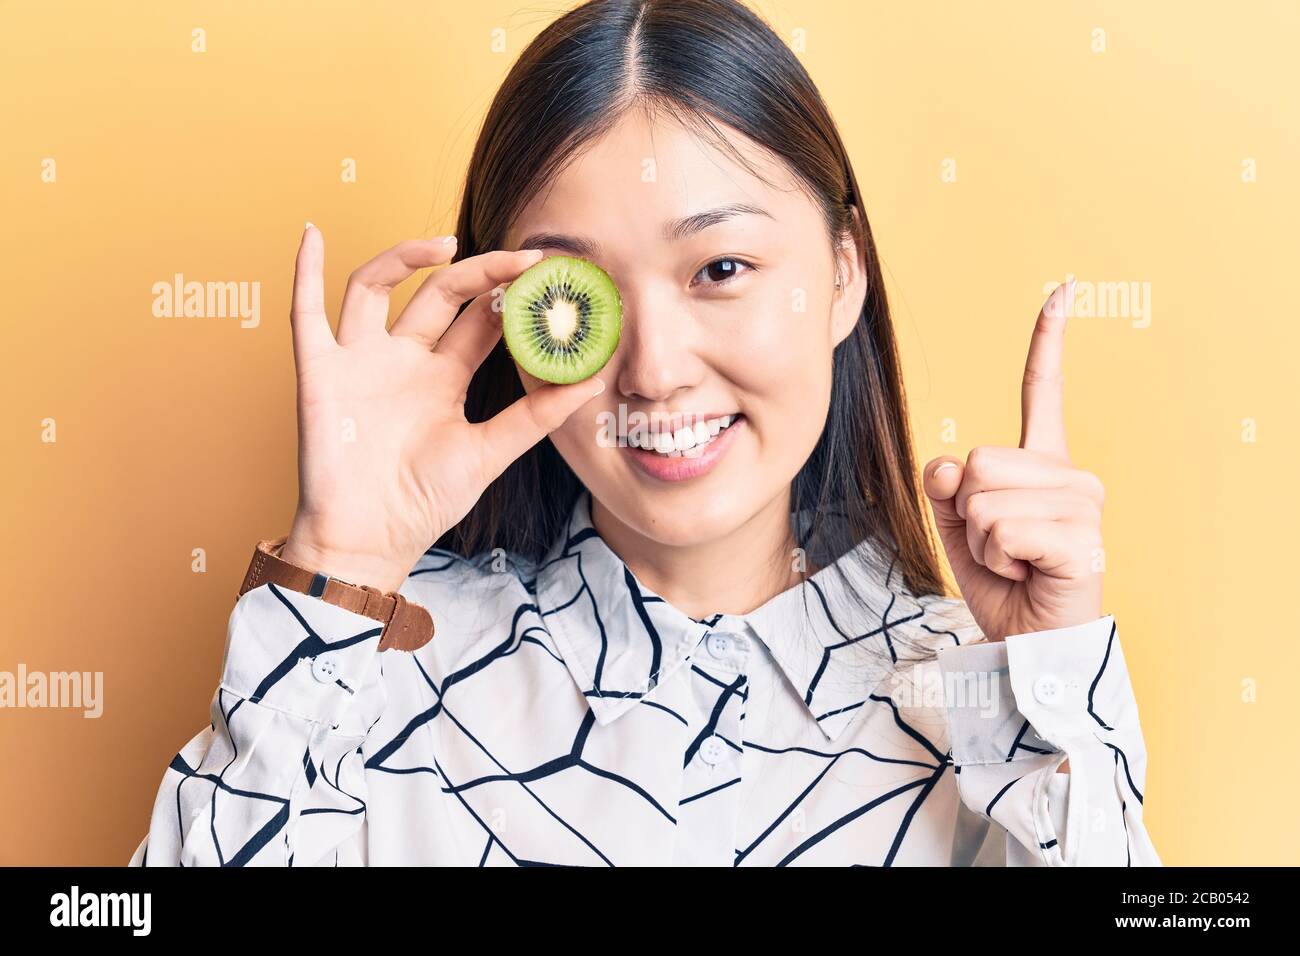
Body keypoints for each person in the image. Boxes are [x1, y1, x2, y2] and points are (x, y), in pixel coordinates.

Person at [130, 0, 1158, 866]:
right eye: (576, 293)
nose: (656, 367)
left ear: (843, 271)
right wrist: (334, 569)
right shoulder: (370, 669)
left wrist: (1045, 691)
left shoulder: (980, 687)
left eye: (720, 269)